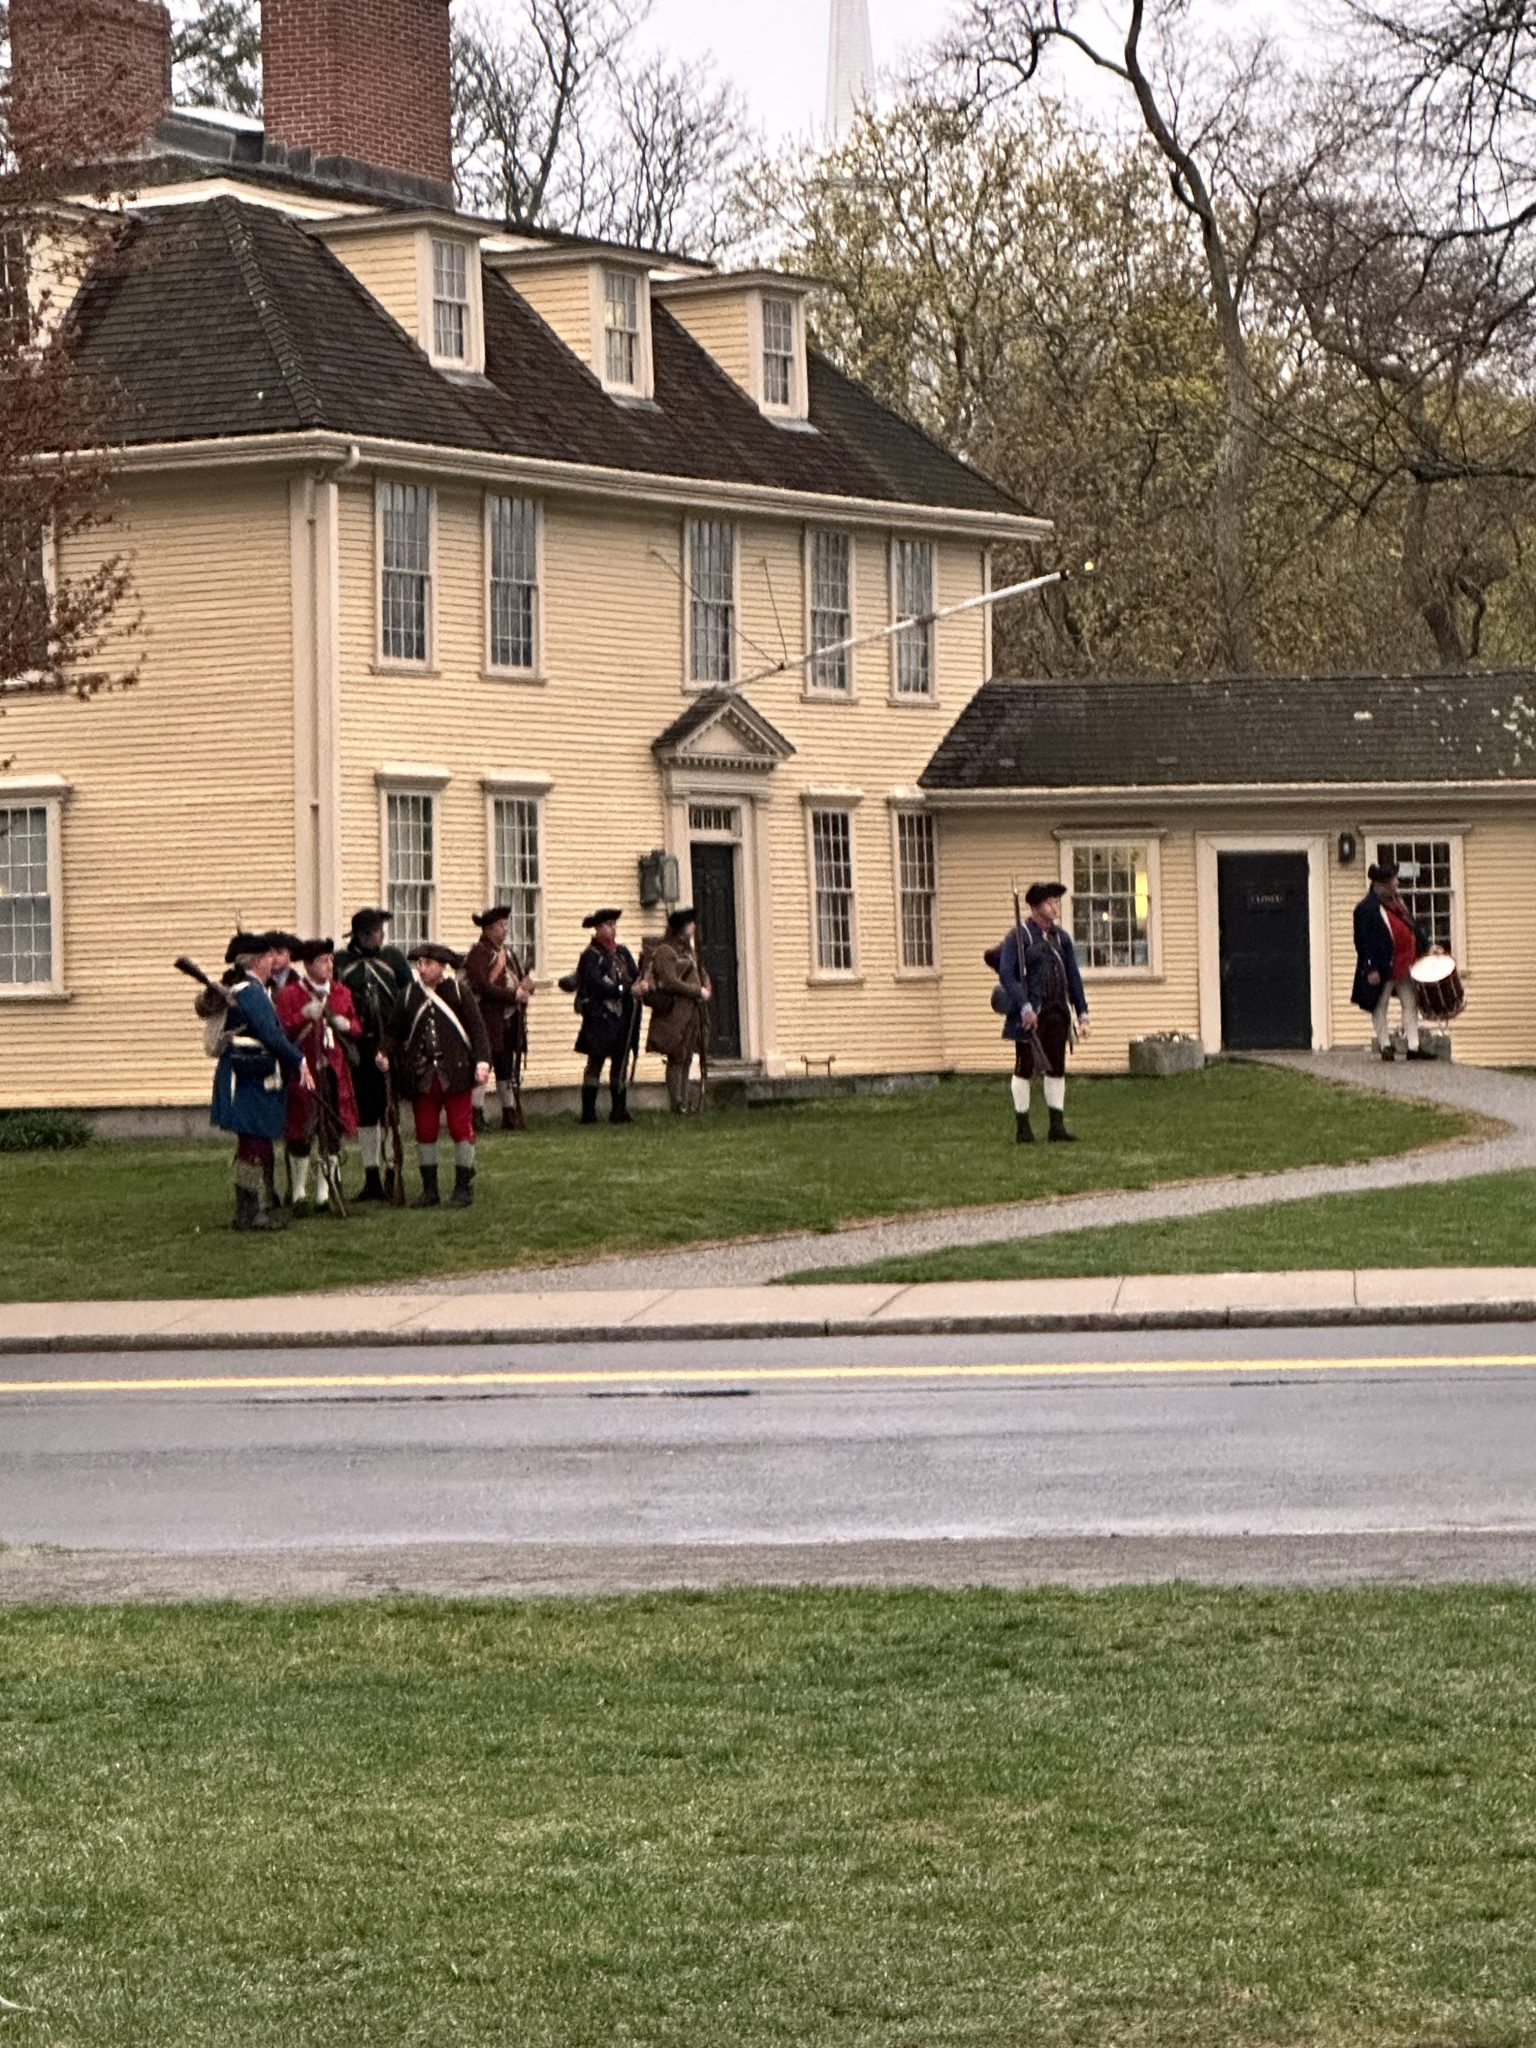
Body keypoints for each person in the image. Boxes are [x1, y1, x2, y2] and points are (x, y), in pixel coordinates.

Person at [210, 931, 311, 1231]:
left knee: (254, 1145)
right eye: (268, 956)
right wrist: (299, 1059)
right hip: (248, 1077)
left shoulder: (251, 990)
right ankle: (249, 1211)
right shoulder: (250, 992)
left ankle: (249, 1209)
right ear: (257, 961)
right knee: (253, 1145)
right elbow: (270, 1035)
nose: (273, 961)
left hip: (252, 1075)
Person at [388, 942, 492, 1208]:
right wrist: (383, 1052)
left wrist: (482, 1062)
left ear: (441, 967)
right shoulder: (409, 995)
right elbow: (394, 1032)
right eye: (419, 964)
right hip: (423, 1075)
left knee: (460, 1128)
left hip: (454, 1073)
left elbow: (478, 1031)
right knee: (425, 1131)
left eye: (427, 964)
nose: (421, 969)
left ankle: (463, 1187)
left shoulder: (458, 992)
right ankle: (429, 1190)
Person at [997, 881, 1090, 1143]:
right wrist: (1024, 1006)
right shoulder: (1020, 936)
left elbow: (1073, 976)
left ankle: (1056, 1126)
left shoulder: (1061, 938)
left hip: (1057, 1011)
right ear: (1036, 907)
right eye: (1050, 902)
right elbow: (1007, 974)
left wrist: (1082, 1012)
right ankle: (1023, 1127)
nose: (1055, 906)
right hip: (1030, 1013)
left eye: (1056, 902)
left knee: (1057, 1068)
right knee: (1024, 1067)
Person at [275, 938, 361, 1216]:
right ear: (309, 965)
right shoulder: (290, 995)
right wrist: (303, 1015)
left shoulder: (341, 993)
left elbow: (355, 1027)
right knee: (300, 1130)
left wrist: (348, 1025)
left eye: (331, 959)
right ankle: (299, 1192)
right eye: (324, 960)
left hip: (333, 1070)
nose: (330, 965)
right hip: (304, 1071)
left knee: (332, 1132)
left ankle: (325, 1193)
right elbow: (282, 1031)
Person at [336, 907, 412, 1200]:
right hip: (360, 1044)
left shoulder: (393, 959)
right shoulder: (343, 962)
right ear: (362, 935)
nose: (380, 936)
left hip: (390, 1043)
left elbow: (407, 996)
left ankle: (392, 1171)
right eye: (375, 931)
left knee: (389, 1111)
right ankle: (371, 1177)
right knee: (367, 1112)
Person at [1352, 860, 1433, 1060]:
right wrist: (1370, 968)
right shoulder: (1366, 908)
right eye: (1394, 879)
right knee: (1381, 1004)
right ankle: (1385, 1045)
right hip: (1383, 965)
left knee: (1410, 1003)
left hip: (1405, 964)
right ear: (1383, 884)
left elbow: (1412, 928)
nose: (1397, 882)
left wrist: (1428, 946)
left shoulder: (1397, 903)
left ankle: (1413, 1047)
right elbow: (1362, 942)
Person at [464, 906, 535, 1132]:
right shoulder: (479, 953)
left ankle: (509, 1112)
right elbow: (482, 987)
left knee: (506, 1066)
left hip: (509, 1019)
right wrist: (513, 995)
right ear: (488, 929)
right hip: (487, 1018)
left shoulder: (509, 953)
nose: (504, 930)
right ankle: (476, 1114)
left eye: (505, 925)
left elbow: (520, 979)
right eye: (500, 926)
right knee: (484, 1066)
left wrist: (526, 987)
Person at [573, 908, 640, 1126]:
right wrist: (624, 991)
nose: (612, 928)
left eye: (613, 924)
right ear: (598, 928)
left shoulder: (622, 952)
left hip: (621, 1016)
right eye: (608, 925)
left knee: (620, 1062)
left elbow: (634, 976)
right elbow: (596, 984)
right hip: (600, 1015)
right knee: (596, 1061)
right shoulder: (591, 956)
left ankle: (619, 1110)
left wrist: (636, 987)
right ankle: (589, 1112)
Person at [645, 906, 712, 1114]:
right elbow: (670, 981)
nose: (693, 927)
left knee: (688, 1055)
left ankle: (685, 1100)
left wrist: (706, 987)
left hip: (692, 1010)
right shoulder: (666, 951)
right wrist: (696, 990)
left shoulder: (689, 950)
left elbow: (701, 971)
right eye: (690, 923)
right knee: (676, 1055)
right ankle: (677, 1102)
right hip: (675, 1012)